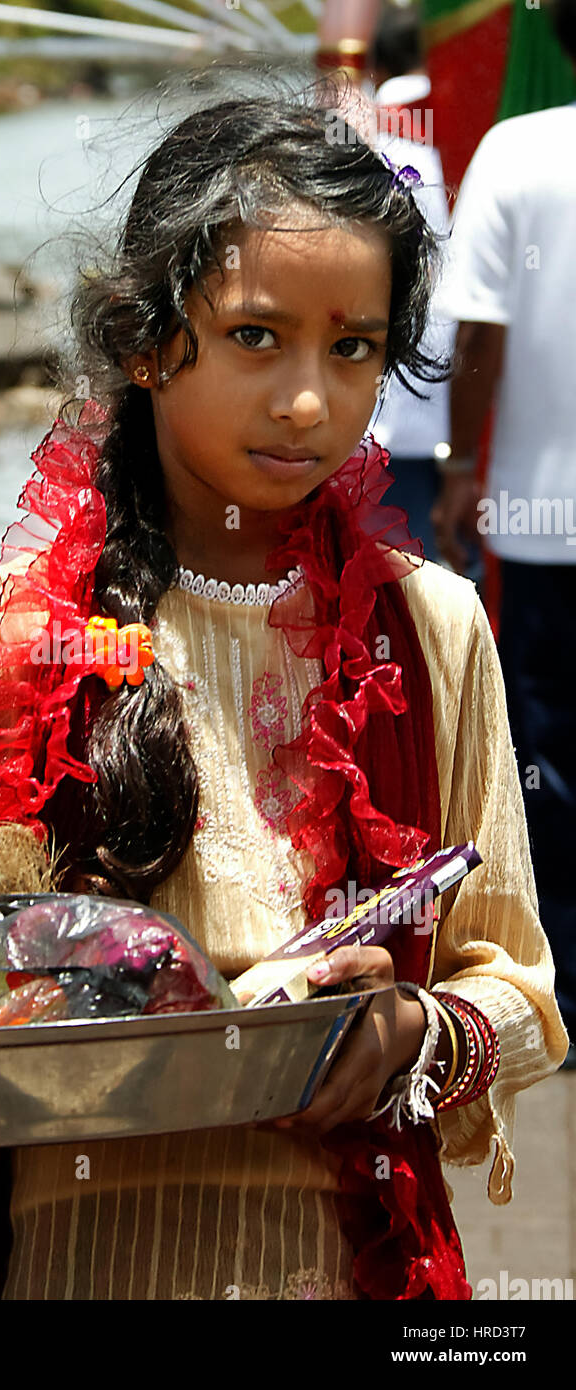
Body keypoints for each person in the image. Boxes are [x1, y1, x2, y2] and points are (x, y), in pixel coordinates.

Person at [0, 82, 568, 1301]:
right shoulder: (21, 619)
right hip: (65, 1261)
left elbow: (518, 984)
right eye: (255, 337)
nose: (309, 399)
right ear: (145, 340)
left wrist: (420, 1032)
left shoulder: (431, 629)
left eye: (354, 346)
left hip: (337, 1262)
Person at [431, 0, 576, 1067]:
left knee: (549, 775)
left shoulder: (516, 152)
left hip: (541, 520)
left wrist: (463, 464)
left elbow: (474, 325)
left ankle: (559, 994)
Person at [367, 4, 459, 569]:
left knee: (391, 585)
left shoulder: (365, 147)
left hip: (384, 410)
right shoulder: (470, 128)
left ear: (376, 66)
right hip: (473, 404)